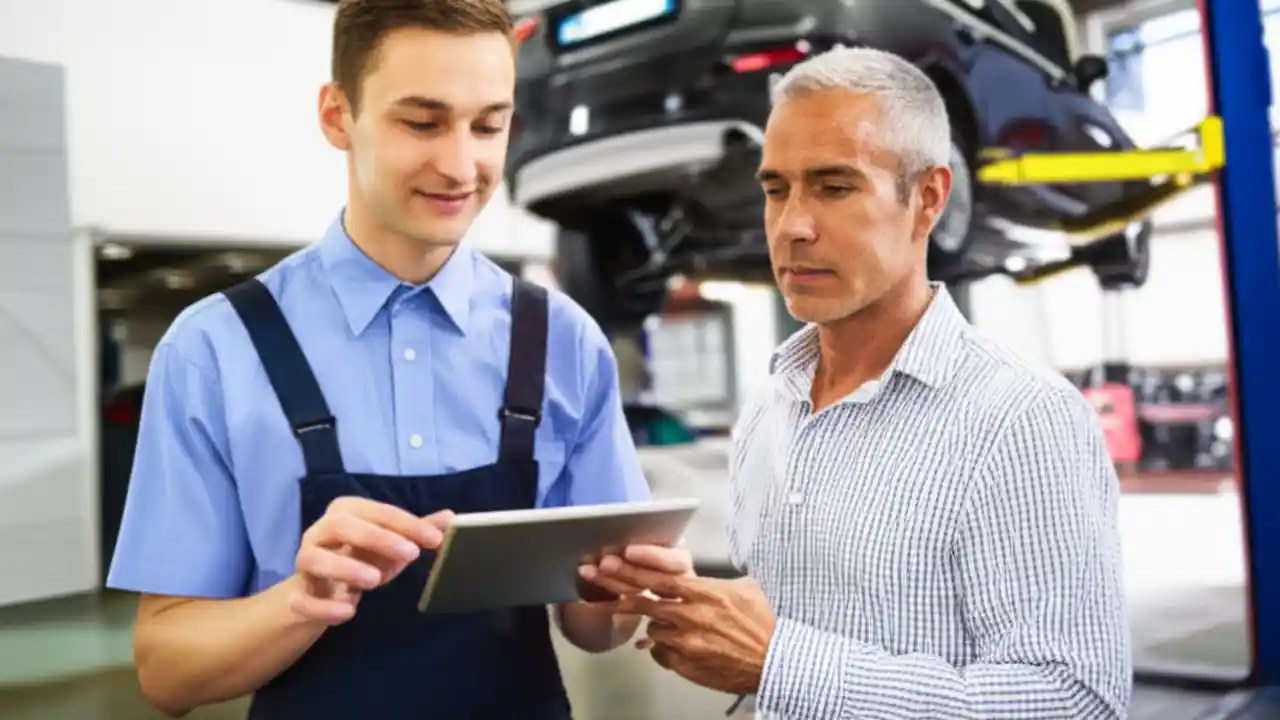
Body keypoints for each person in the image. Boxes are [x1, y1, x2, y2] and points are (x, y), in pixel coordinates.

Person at [106, 1, 690, 717]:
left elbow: (594, 626)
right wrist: (303, 600)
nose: (459, 165)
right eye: (421, 122)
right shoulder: (212, 351)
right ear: (336, 116)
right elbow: (168, 672)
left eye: (488, 125)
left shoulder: (564, 341)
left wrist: (626, 593)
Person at [581, 46, 1132, 719]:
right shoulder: (771, 404)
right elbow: (787, 625)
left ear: (927, 198)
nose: (791, 227)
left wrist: (777, 663)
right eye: (776, 189)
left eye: (834, 187)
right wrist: (699, 608)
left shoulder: (1019, 419)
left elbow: (1074, 702)